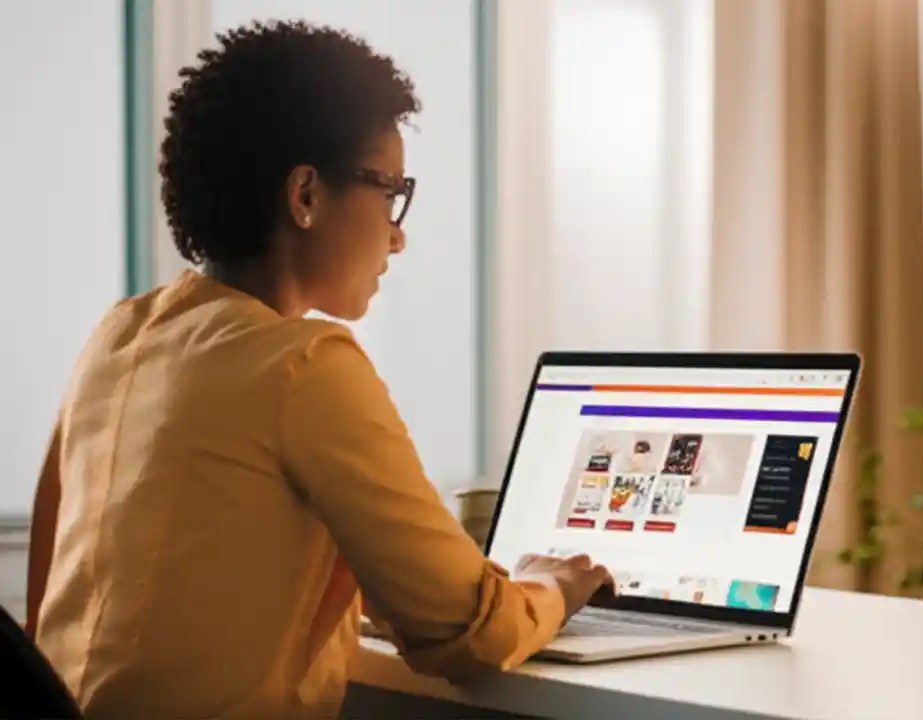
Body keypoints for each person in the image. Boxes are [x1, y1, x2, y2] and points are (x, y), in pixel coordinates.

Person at [23, 20, 612, 718]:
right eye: (389, 191)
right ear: (305, 195)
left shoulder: (120, 337)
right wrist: (552, 588)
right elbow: (471, 629)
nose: (398, 232)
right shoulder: (302, 365)